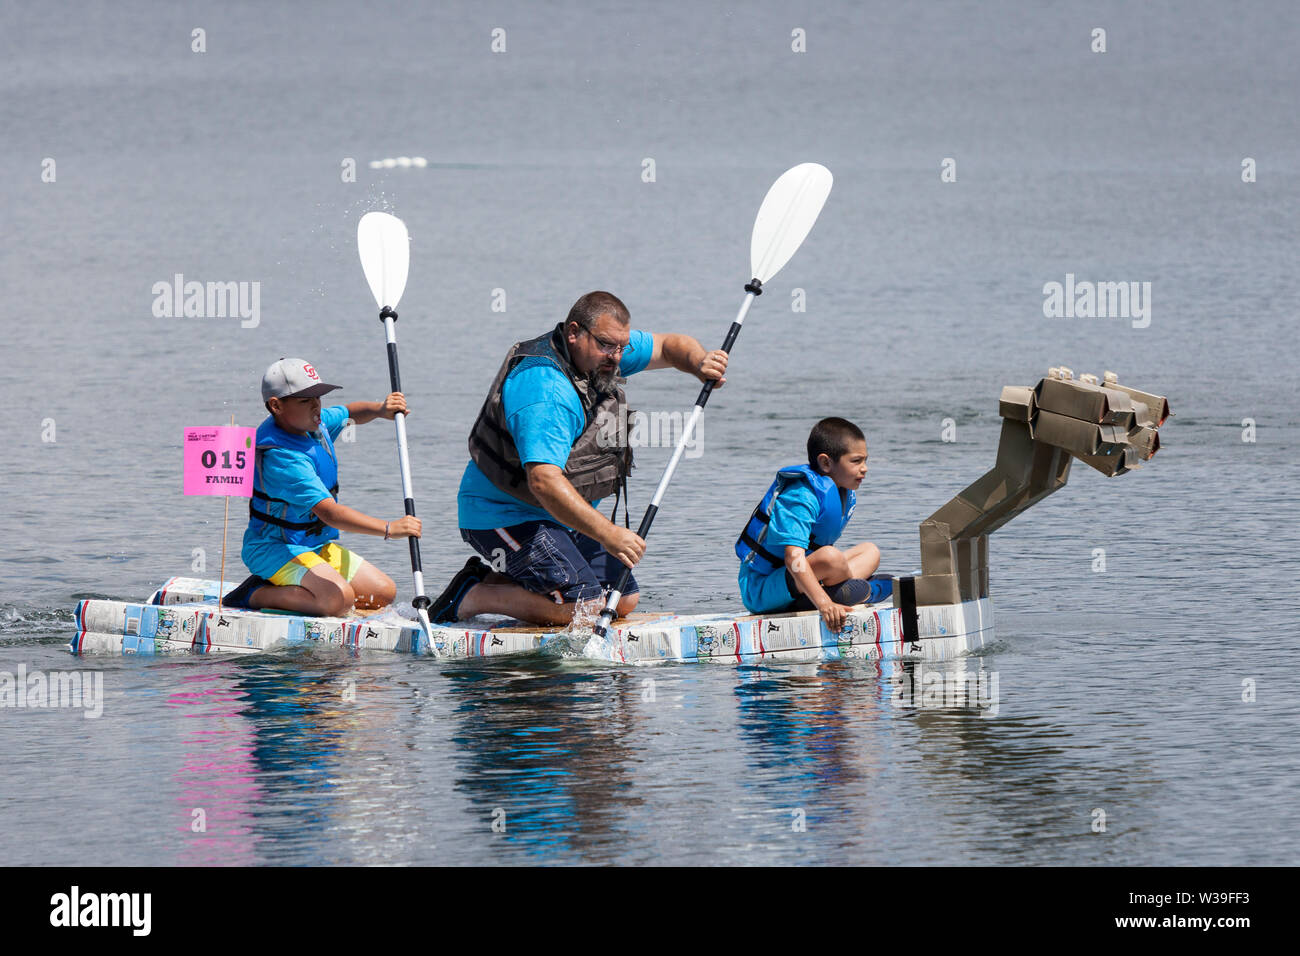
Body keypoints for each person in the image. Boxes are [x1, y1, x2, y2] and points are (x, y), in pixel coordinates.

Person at [430, 290, 727, 625]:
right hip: (503, 516)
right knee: (585, 609)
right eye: (606, 345)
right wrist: (610, 534)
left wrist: (700, 363)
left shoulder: (603, 353)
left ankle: (500, 580)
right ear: (574, 333)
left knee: (623, 599)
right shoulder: (545, 391)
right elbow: (543, 481)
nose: (616, 356)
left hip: (560, 516)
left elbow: (669, 346)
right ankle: (472, 595)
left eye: (621, 346)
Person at [225, 358, 422, 616]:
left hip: (315, 545)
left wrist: (379, 409)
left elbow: (350, 412)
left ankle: (309, 590)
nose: (316, 405)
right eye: (305, 400)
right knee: (336, 600)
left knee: (382, 593)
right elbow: (330, 514)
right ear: (276, 406)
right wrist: (388, 528)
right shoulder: (282, 459)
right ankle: (253, 593)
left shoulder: (312, 424)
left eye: (318, 397)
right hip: (273, 549)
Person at [735, 417, 886, 631]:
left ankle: (845, 590)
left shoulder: (843, 493)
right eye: (856, 461)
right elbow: (793, 558)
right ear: (826, 463)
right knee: (830, 557)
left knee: (870, 551)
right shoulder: (800, 496)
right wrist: (824, 605)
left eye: (865, 460)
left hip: (802, 578)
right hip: (763, 589)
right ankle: (852, 591)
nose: (865, 468)